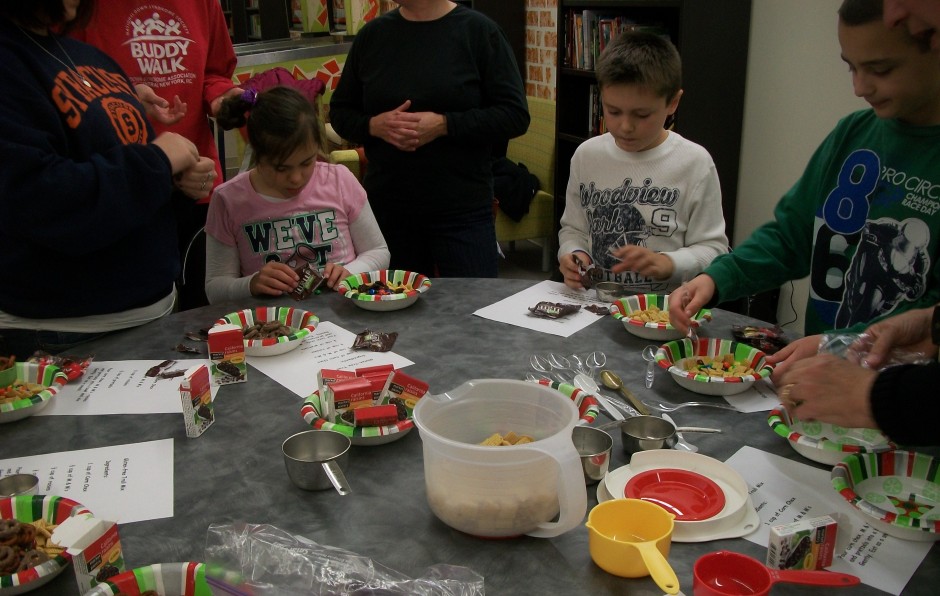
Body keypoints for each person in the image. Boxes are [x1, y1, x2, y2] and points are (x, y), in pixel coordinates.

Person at [670, 0, 940, 372]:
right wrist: (717, 278)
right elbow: (790, 237)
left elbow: (929, 314)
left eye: (880, 69)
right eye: (851, 67)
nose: (860, 87)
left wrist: (840, 346)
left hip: (903, 396)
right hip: (823, 377)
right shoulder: (852, 134)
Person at [0, 0, 204, 359]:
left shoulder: (83, 54)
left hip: (154, 314)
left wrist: (175, 181)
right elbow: (43, 200)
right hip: (64, 335)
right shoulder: (10, 62)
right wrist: (157, 161)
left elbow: (112, 173)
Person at [329, 0, 529, 278]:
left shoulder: (480, 32)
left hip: (462, 208)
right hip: (389, 206)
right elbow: (340, 113)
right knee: (396, 315)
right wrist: (374, 125)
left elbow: (515, 115)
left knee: (471, 309)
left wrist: (445, 124)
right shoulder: (372, 36)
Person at [74, 1, 243, 310]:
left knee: (203, 312)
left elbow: (215, 72)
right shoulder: (82, 8)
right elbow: (69, 85)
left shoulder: (205, 3)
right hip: (122, 186)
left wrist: (222, 98)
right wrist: (127, 95)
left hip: (197, 182)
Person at [557, 30, 729, 293]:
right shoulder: (586, 155)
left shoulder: (695, 163)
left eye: (641, 114)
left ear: (672, 102)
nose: (625, 126)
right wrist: (573, 252)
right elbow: (573, 228)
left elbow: (714, 249)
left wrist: (669, 263)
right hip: (594, 304)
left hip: (661, 312)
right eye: (613, 111)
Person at [205, 85, 390, 303]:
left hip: (343, 316)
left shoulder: (339, 180)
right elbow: (215, 289)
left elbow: (378, 252)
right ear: (257, 154)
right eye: (281, 168)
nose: (296, 178)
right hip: (274, 326)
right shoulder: (229, 199)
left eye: (306, 163)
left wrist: (352, 271)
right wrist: (251, 284)